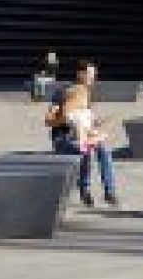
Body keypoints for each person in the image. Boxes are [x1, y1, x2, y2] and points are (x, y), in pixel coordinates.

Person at [49, 60, 119, 207]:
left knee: (104, 149)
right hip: (63, 138)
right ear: (80, 74)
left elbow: (86, 121)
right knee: (86, 151)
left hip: (82, 135)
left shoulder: (86, 94)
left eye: (94, 75)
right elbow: (49, 120)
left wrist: (99, 123)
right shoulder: (64, 92)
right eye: (90, 75)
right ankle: (84, 189)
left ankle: (109, 191)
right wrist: (66, 117)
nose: (93, 78)